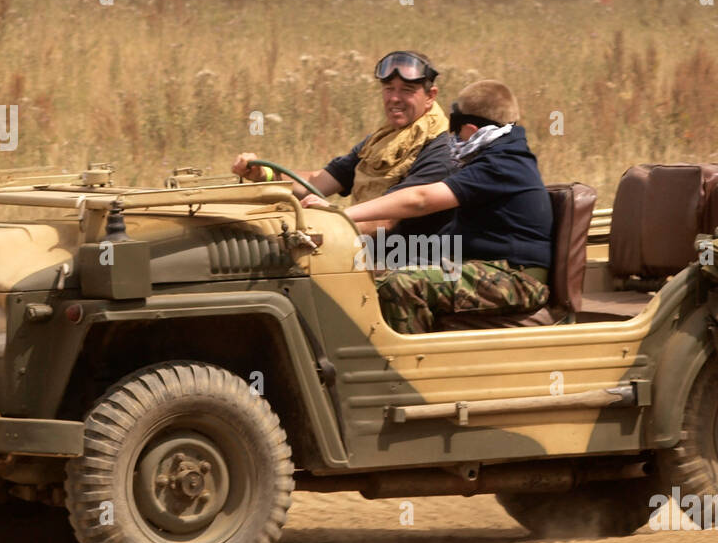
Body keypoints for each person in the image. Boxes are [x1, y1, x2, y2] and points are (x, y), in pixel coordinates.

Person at [336, 79, 554, 334]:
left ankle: (409, 366)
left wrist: (342, 216)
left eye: (455, 129)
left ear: (470, 129)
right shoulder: (493, 155)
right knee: (371, 269)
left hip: (517, 279)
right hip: (484, 266)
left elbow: (421, 200)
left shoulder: (503, 163)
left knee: (400, 284)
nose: (452, 137)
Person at [231, 51, 454, 240]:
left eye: (406, 90)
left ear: (430, 96)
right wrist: (264, 174)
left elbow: (384, 220)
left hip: (406, 264)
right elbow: (317, 182)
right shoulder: (381, 140)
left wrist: (328, 223)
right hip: (361, 249)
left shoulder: (439, 150)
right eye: (388, 88)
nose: (394, 98)